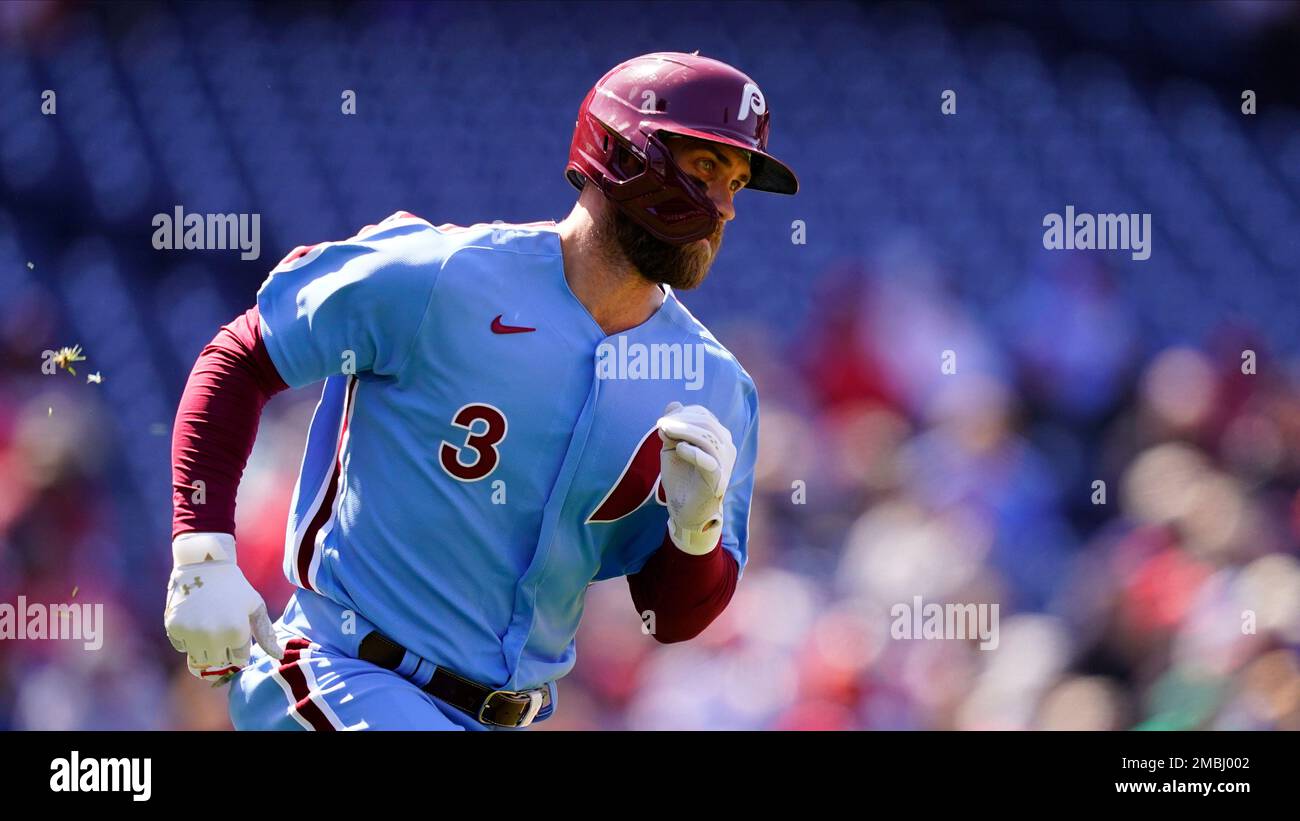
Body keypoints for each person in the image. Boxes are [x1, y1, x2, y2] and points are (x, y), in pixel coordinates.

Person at [164, 51, 798, 730]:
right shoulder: (443, 276)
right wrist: (202, 551)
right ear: (625, 151)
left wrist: (694, 533)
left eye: (736, 180)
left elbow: (670, 618)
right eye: (707, 168)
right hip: (346, 670)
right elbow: (243, 354)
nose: (726, 206)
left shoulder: (715, 386)